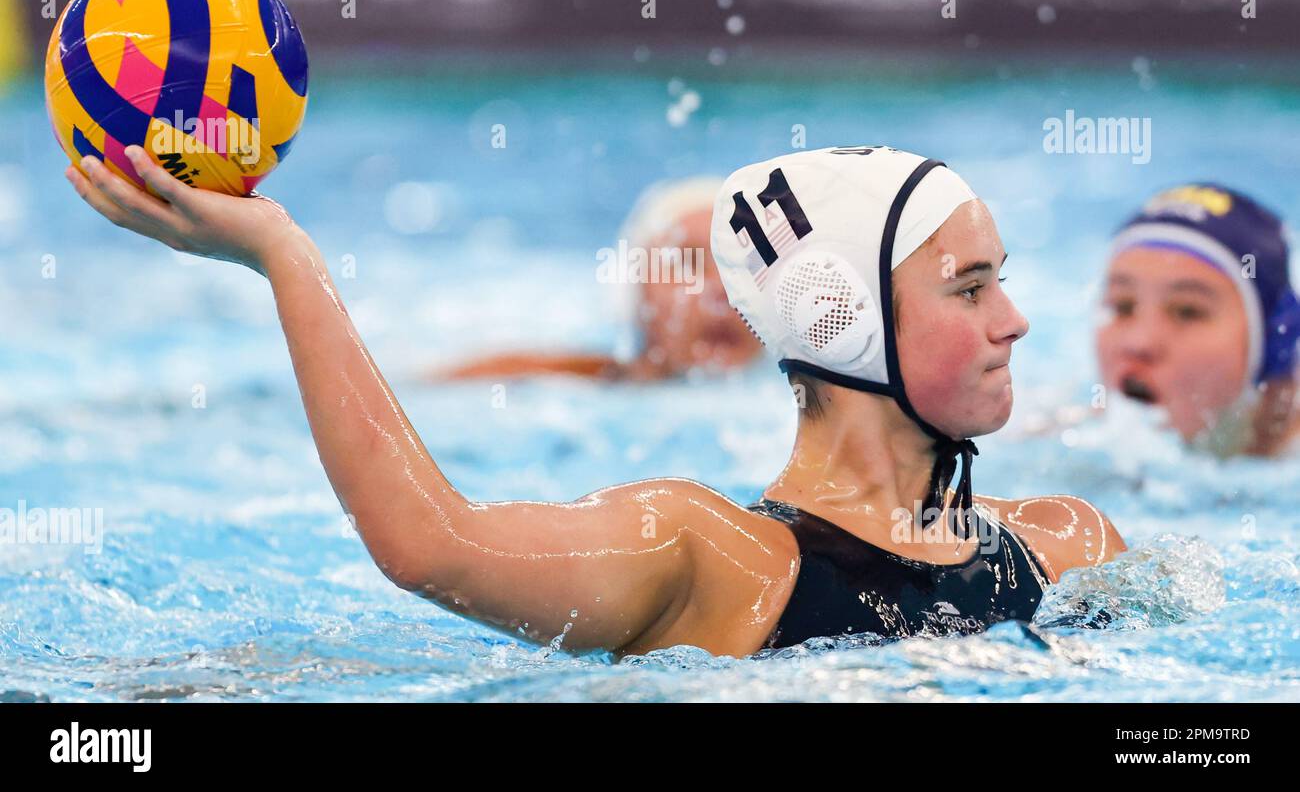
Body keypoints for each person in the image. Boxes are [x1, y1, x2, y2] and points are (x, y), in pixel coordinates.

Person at [67, 143, 1125, 657]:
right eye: (970, 286)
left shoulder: (1067, 543)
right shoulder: (708, 557)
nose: (1016, 319)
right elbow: (432, 544)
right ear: (839, 316)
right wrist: (282, 256)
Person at [435, 177, 762, 381]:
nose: (721, 291)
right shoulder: (537, 381)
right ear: (635, 290)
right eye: (688, 261)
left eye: (742, 266)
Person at [1097, 183, 1300, 457]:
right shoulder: (1063, 436)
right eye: (1123, 306)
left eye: (1187, 312)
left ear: (1272, 346)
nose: (1138, 343)